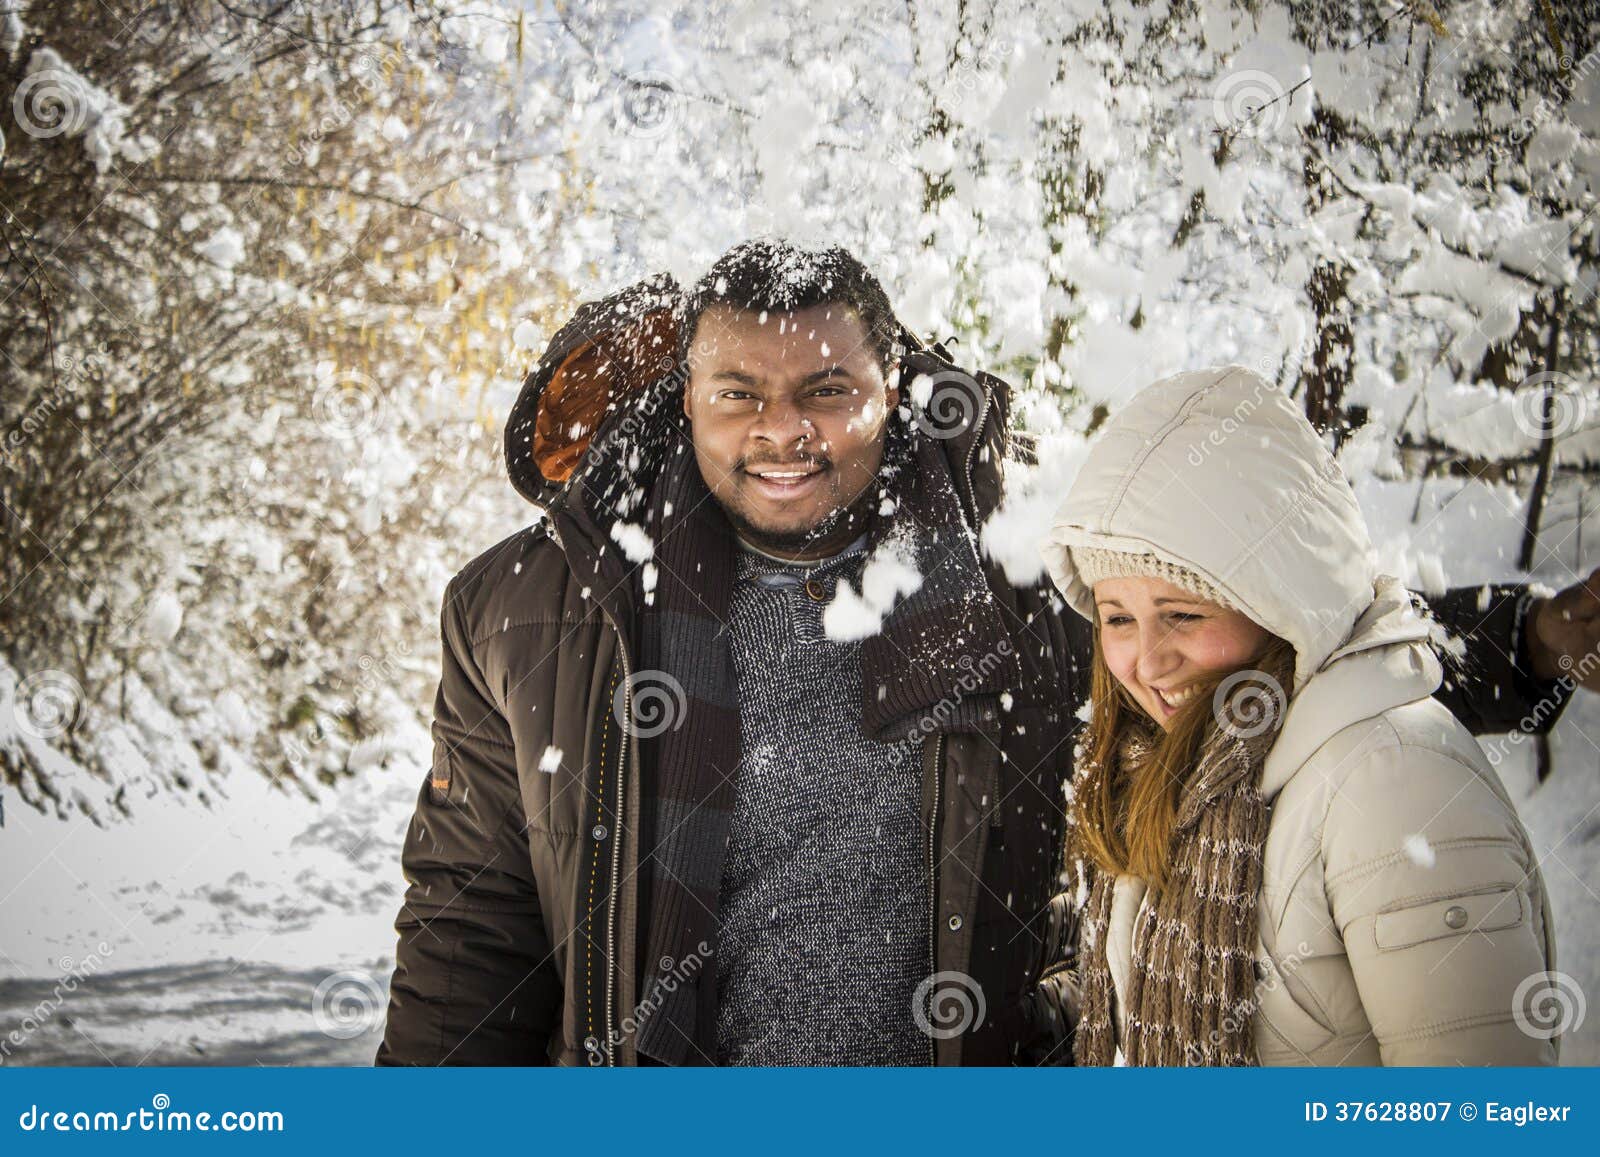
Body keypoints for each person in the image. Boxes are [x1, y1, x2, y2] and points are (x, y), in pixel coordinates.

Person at [376, 239, 1595, 1066]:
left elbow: (1256, 639)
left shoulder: (1001, 574)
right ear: (682, 397)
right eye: (738, 392)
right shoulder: (535, 607)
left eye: (827, 387)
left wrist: (1526, 636)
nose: (784, 429)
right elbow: (472, 914)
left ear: (896, 387)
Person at [1036, 366, 1559, 1064]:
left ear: (1283, 602)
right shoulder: (1160, 771)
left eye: (1183, 615)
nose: (1146, 659)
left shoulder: (1397, 784)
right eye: (1118, 618)